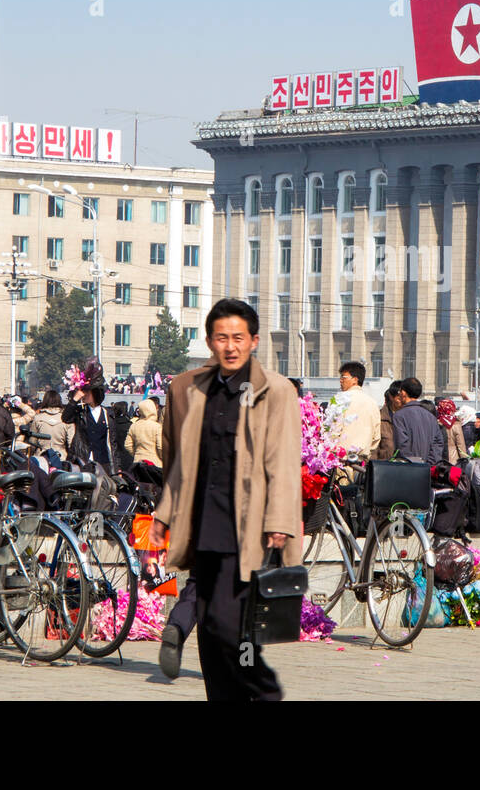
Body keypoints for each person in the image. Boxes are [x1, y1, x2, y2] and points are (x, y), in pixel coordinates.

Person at [151, 298, 300, 700]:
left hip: (249, 529)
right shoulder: (194, 389)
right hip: (203, 526)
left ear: (253, 341)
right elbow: (181, 462)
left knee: (237, 633)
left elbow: (284, 461)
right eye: (221, 338)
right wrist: (164, 515)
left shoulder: (276, 391)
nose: (230, 347)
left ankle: (263, 693)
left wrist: (281, 523)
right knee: (213, 630)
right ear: (209, 342)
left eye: (238, 338)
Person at [391, 378, 445, 465]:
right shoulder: (431, 417)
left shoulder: (399, 416)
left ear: (403, 393)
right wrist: (429, 463)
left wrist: (414, 464)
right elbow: (438, 443)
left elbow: (401, 445)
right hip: (427, 470)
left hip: (408, 469)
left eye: (400, 392)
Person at [63, 381, 115, 471]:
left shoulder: (107, 413)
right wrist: (74, 400)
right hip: (83, 459)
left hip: (102, 462)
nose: (84, 395)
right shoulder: (81, 411)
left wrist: (117, 466)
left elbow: (113, 443)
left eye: (87, 392)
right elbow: (65, 418)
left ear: (95, 393)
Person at [335, 361, 381, 460]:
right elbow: (376, 437)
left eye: (344, 377)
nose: (340, 380)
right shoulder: (373, 403)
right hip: (362, 462)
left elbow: (333, 432)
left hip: (342, 461)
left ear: (355, 380)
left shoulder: (339, 400)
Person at [29, 389, 75, 461]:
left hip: (41, 457)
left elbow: (32, 442)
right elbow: (71, 443)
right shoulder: (66, 418)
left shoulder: (38, 418)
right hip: (61, 457)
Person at [125, 397, 163, 468]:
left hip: (137, 463)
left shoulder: (134, 425)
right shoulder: (157, 427)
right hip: (155, 464)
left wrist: (137, 454)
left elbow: (128, 445)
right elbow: (160, 447)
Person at [437, 398, 469, 464]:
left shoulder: (436, 423)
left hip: (439, 459)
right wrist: (464, 460)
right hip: (453, 460)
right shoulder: (456, 424)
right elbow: (461, 445)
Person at [377, 382, 401, 461]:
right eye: (399, 397)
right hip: (383, 466)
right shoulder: (380, 417)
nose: (402, 400)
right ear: (391, 397)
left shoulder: (409, 417)